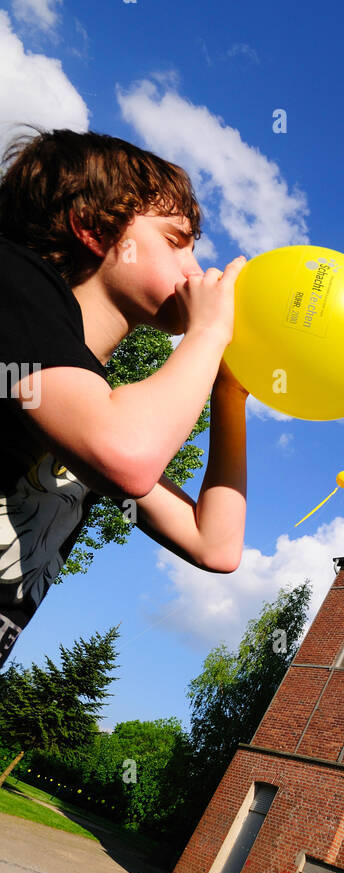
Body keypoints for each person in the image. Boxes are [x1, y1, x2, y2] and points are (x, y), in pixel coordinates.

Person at [0, 127, 249, 671]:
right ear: (92, 227)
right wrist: (208, 334)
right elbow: (128, 455)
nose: (196, 269)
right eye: (175, 240)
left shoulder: (95, 405)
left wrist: (230, 391)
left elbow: (216, 545)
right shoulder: (12, 277)